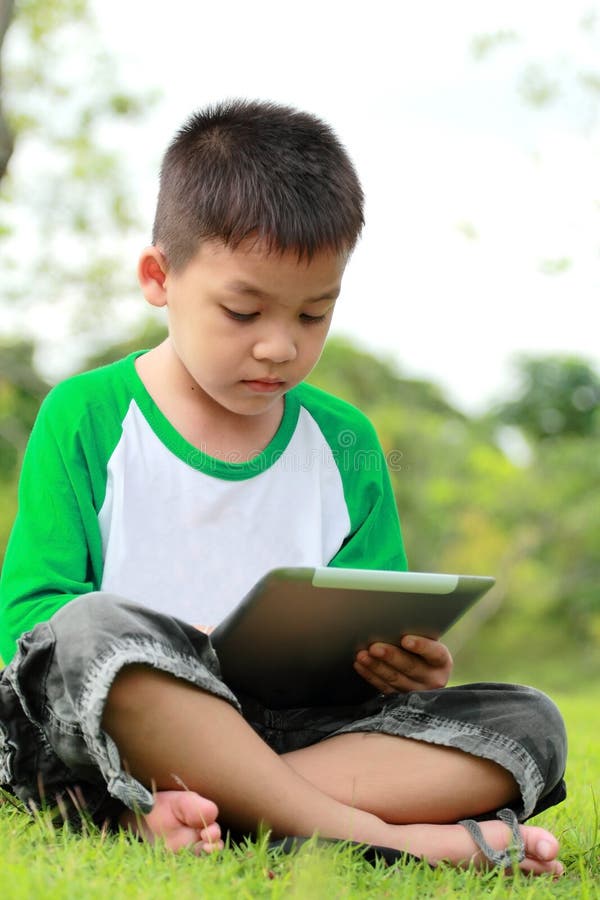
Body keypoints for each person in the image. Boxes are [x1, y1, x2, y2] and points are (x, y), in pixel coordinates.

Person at [0, 99, 566, 876]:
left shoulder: (346, 443)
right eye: (243, 312)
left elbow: (370, 622)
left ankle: (194, 812)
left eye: (313, 314)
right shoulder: (87, 416)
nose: (279, 346)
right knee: (89, 627)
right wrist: (184, 650)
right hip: (126, 729)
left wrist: (402, 667)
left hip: (297, 731)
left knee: (528, 721)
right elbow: (30, 631)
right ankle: (386, 838)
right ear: (159, 278)